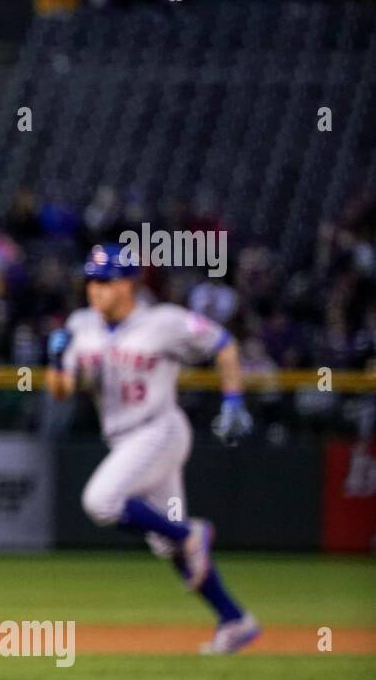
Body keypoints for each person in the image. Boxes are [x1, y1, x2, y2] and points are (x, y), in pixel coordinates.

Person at [46, 243, 259, 653]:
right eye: (91, 280)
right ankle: (234, 619)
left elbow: (223, 343)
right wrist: (56, 363)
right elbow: (62, 392)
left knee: (101, 500)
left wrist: (233, 399)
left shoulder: (164, 321)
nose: (95, 289)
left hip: (159, 429)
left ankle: (190, 531)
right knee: (169, 548)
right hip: (124, 439)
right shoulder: (81, 325)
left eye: (105, 281)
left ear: (129, 284)